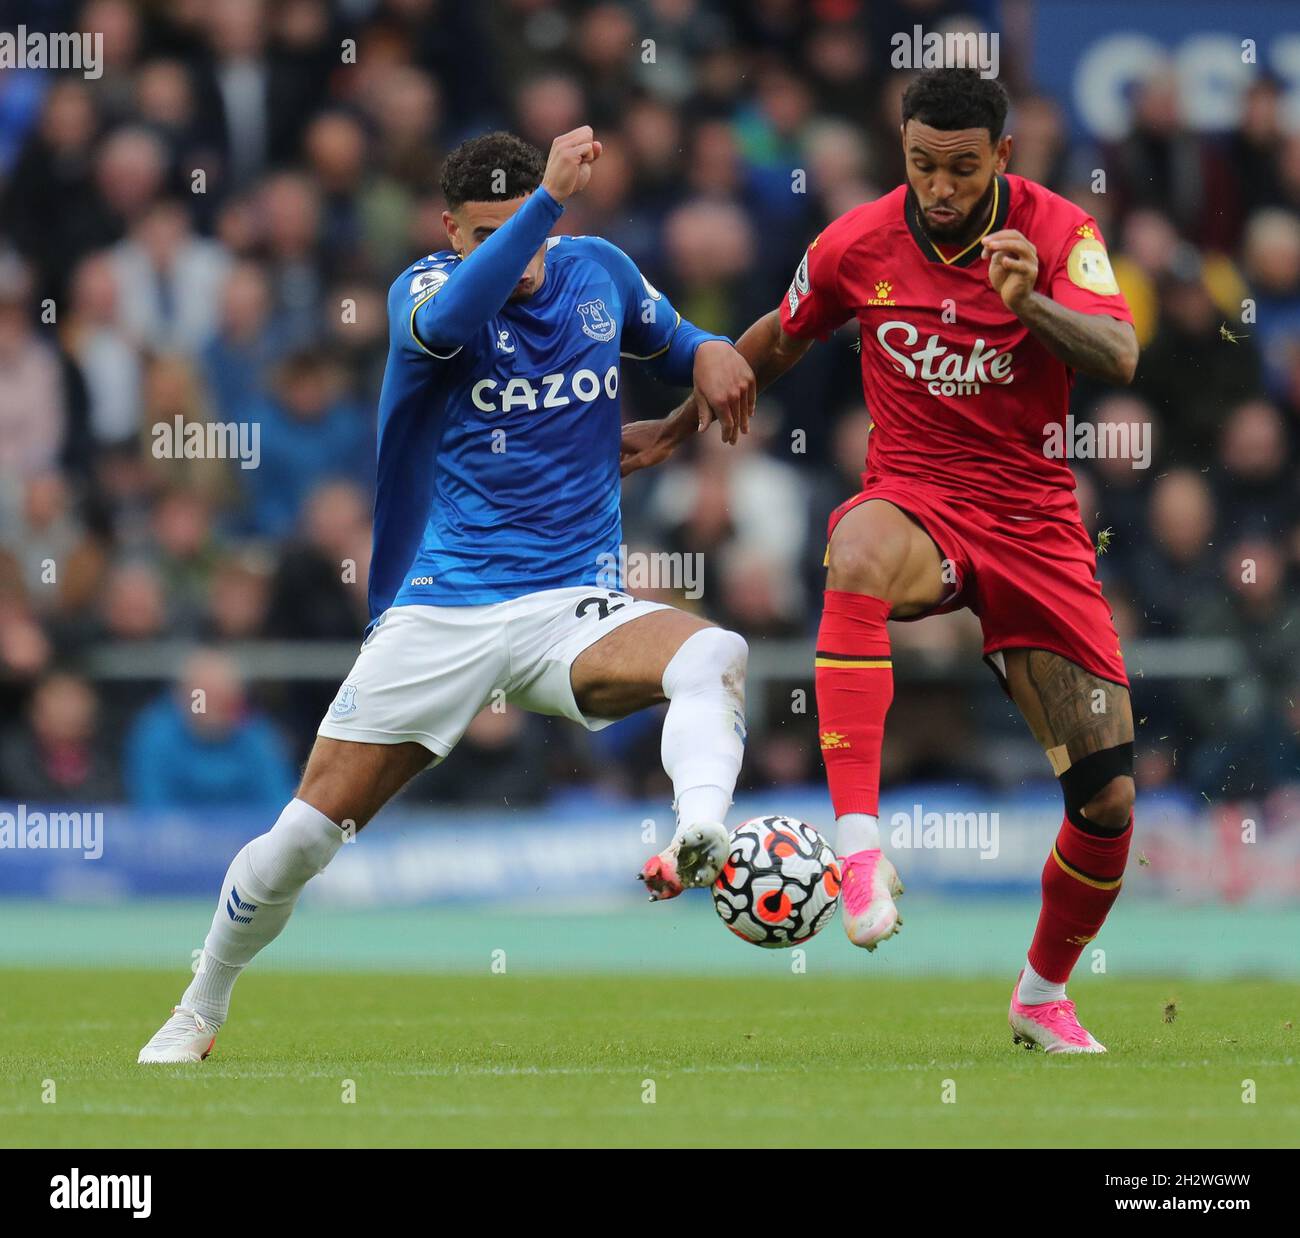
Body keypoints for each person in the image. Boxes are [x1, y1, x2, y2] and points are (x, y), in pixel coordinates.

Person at [138, 126, 757, 1063]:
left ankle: (701, 834)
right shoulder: (426, 290)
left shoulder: (600, 273)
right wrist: (545, 202)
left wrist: (708, 348)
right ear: (450, 232)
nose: (516, 254)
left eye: (531, 231)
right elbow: (458, 312)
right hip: (442, 607)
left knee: (715, 655)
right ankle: (201, 1003)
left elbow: (672, 341)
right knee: (302, 840)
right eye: (487, 233)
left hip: (567, 608)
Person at [624, 70, 1140, 1054]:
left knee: (1108, 802)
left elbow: (1115, 354)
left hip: (1034, 521)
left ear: (1001, 157)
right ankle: (859, 848)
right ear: (900, 150)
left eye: (959, 167)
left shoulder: (1058, 231)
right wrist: (674, 426)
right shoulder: (856, 242)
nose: (939, 187)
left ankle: (1039, 992)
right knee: (851, 545)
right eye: (920, 164)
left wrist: (1028, 304)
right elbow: (775, 340)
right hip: (917, 499)